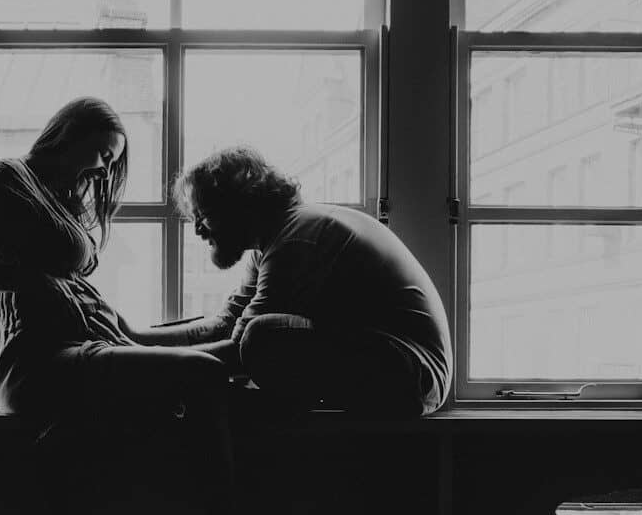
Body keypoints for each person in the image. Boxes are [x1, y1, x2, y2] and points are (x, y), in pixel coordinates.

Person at [0, 98, 279, 515]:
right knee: (201, 375)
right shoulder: (6, 179)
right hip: (39, 359)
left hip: (85, 346)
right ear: (68, 133)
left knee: (207, 382)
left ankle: (74, 440)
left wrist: (125, 333)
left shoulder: (63, 196)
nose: (106, 168)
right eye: (103, 154)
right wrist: (24, 280)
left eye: (112, 160)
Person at [171, 145, 453, 418]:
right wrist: (136, 338)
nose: (197, 230)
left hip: (414, 377)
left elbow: (237, 351)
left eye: (203, 216)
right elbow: (224, 325)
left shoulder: (296, 237)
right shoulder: (272, 241)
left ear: (238, 205)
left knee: (262, 337)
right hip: (403, 368)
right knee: (256, 343)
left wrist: (152, 362)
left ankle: (272, 410)